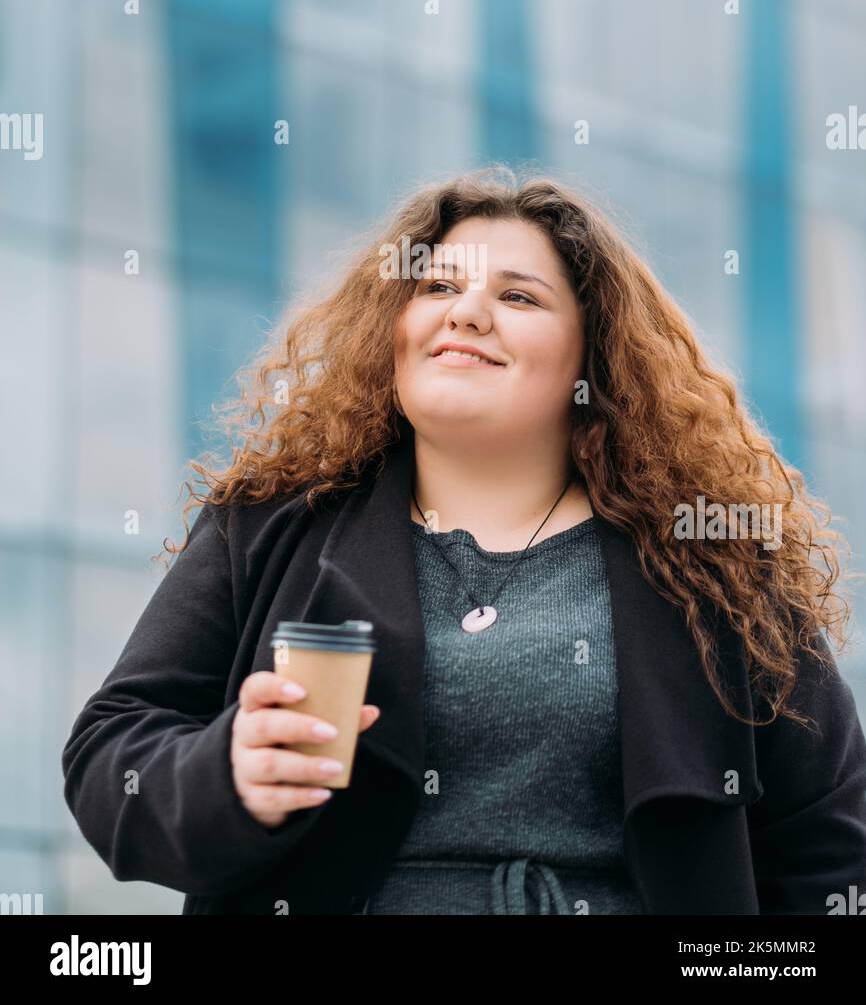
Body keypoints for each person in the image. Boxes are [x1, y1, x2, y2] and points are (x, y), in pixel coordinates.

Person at [62, 166, 866, 915]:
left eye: (518, 296)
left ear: (594, 354)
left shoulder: (714, 564)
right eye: (438, 286)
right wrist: (225, 773)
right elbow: (111, 751)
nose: (467, 311)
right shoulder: (265, 527)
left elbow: (827, 843)